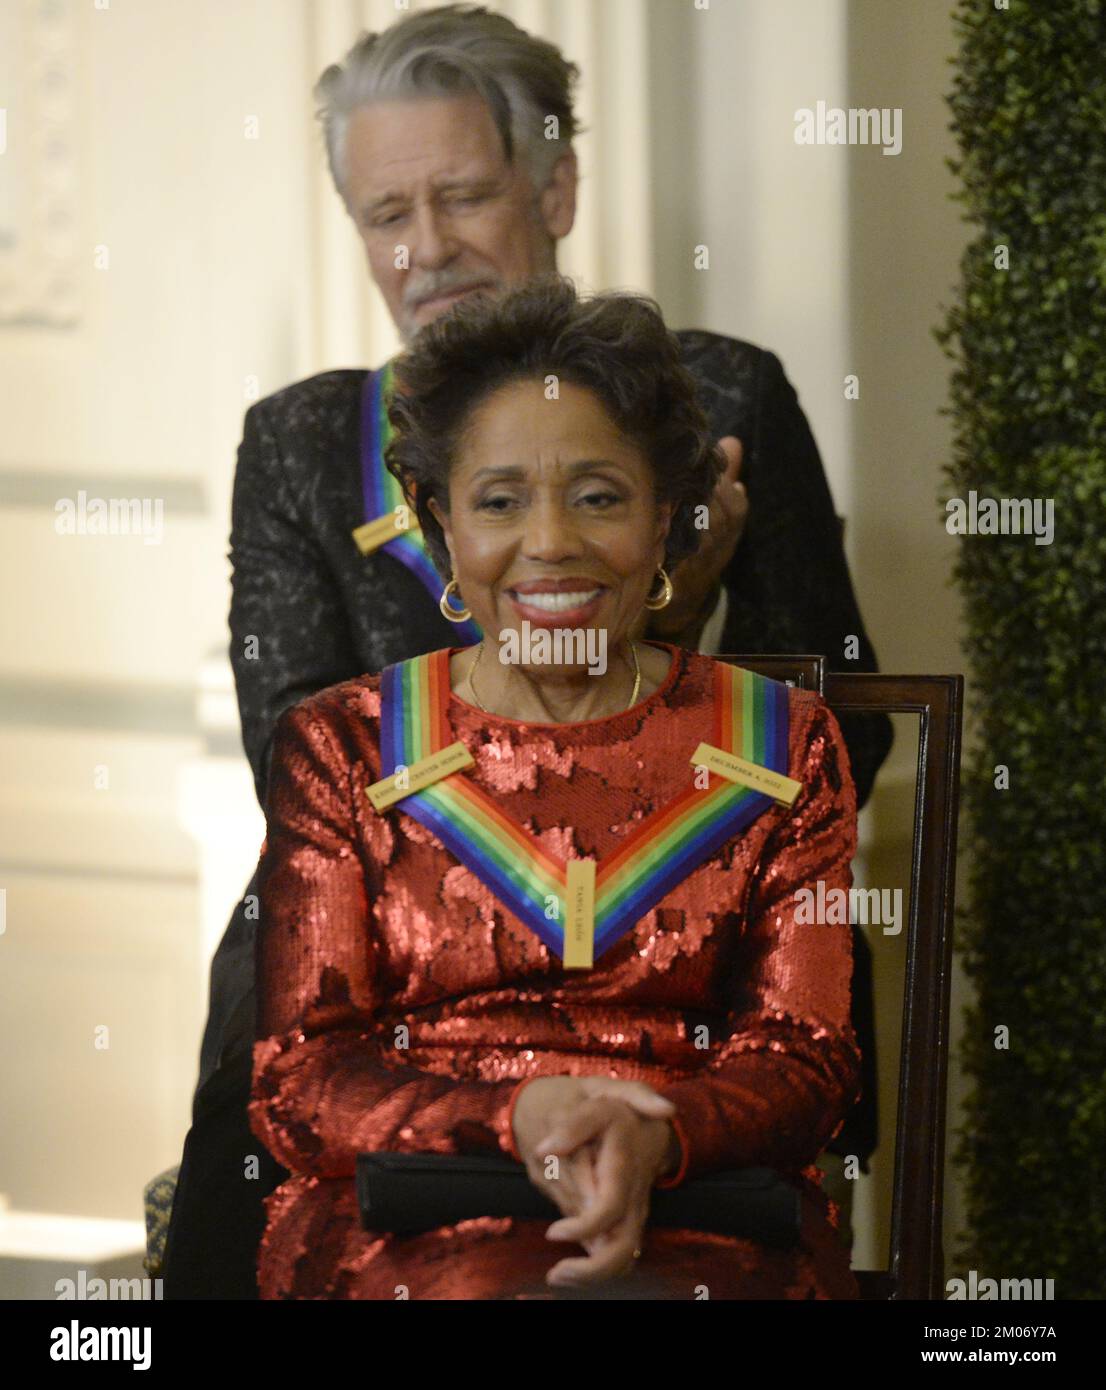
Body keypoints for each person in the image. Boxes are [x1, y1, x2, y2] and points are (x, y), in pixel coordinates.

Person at [162, 3, 889, 1299]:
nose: (425, 249)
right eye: (387, 216)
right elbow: (294, 750)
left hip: (690, 947)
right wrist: (656, 609)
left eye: (463, 197)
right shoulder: (300, 438)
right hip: (380, 950)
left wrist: (648, 652)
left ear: (552, 183)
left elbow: (843, 711)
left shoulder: (719, 396)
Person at [248, 275, 862, 1299]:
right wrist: (514, 1119)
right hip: (411, 1212)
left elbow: (806, 1061)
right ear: (441, 524)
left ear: (664, 517)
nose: (550, 544)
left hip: (699, 1206)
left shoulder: (781, 744)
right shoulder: (342, 746)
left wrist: (651, 1137)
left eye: (597, 497)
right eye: (499, 501)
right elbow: (297, 1079)